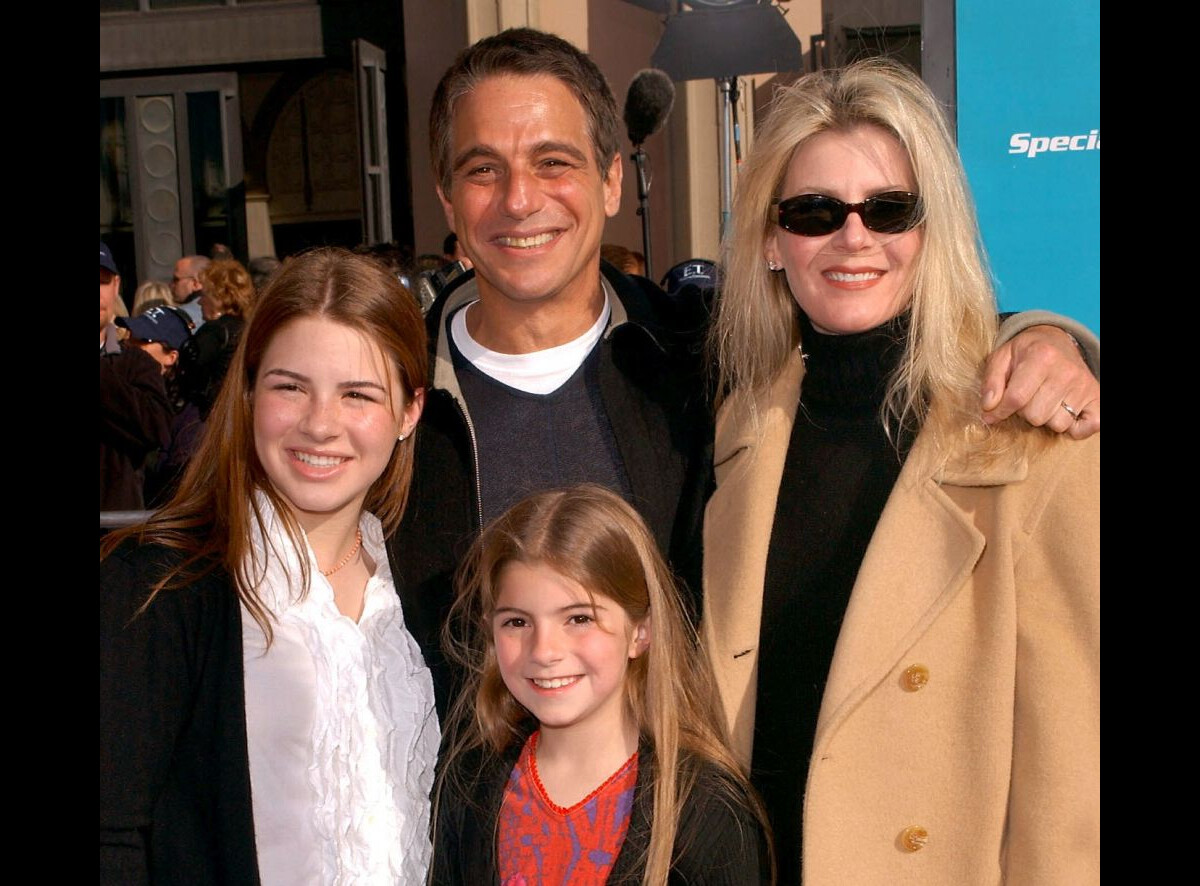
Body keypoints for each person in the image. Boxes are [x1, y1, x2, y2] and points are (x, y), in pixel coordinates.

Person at [389, 27, 1099, 719]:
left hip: (691, 826)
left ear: (610, 181)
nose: (520, 199)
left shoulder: (705, 361)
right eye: (484, 169)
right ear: (448, 201)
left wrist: (1044, 339)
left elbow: (880, 322)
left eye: (553, 162)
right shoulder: (390, 404)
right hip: (471, 829)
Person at [702, 59, 1099, 884]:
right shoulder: (743, 428)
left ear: (932, 229)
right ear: (773, 242)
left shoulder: (1033, 442)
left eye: (889, 210)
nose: (854, 237)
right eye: (814, 212)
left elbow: (1074, 784)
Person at [100, 247, 440, 885]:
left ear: (409, 411)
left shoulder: (429, 589)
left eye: (358, 395)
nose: (320, 424)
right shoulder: (157, 589)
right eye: (291, 387)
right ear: (250, 391)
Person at [433, 484, 770, 885]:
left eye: (579, 619)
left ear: (640, 632)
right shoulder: (470, 783)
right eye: (517, 622)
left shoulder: (706, 811)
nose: (544, 651)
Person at [177, 258, 255, 421]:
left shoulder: (215, 331)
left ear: (217, 298)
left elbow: (188, 374)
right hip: (240, 411)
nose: (199, 301)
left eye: (204, 294)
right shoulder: (248, 328)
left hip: (210, 415)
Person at [170, 254, 211, 328]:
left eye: (176, 280)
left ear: (196, 284)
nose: (171, 285)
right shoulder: (227, 311)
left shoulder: (180, 318)